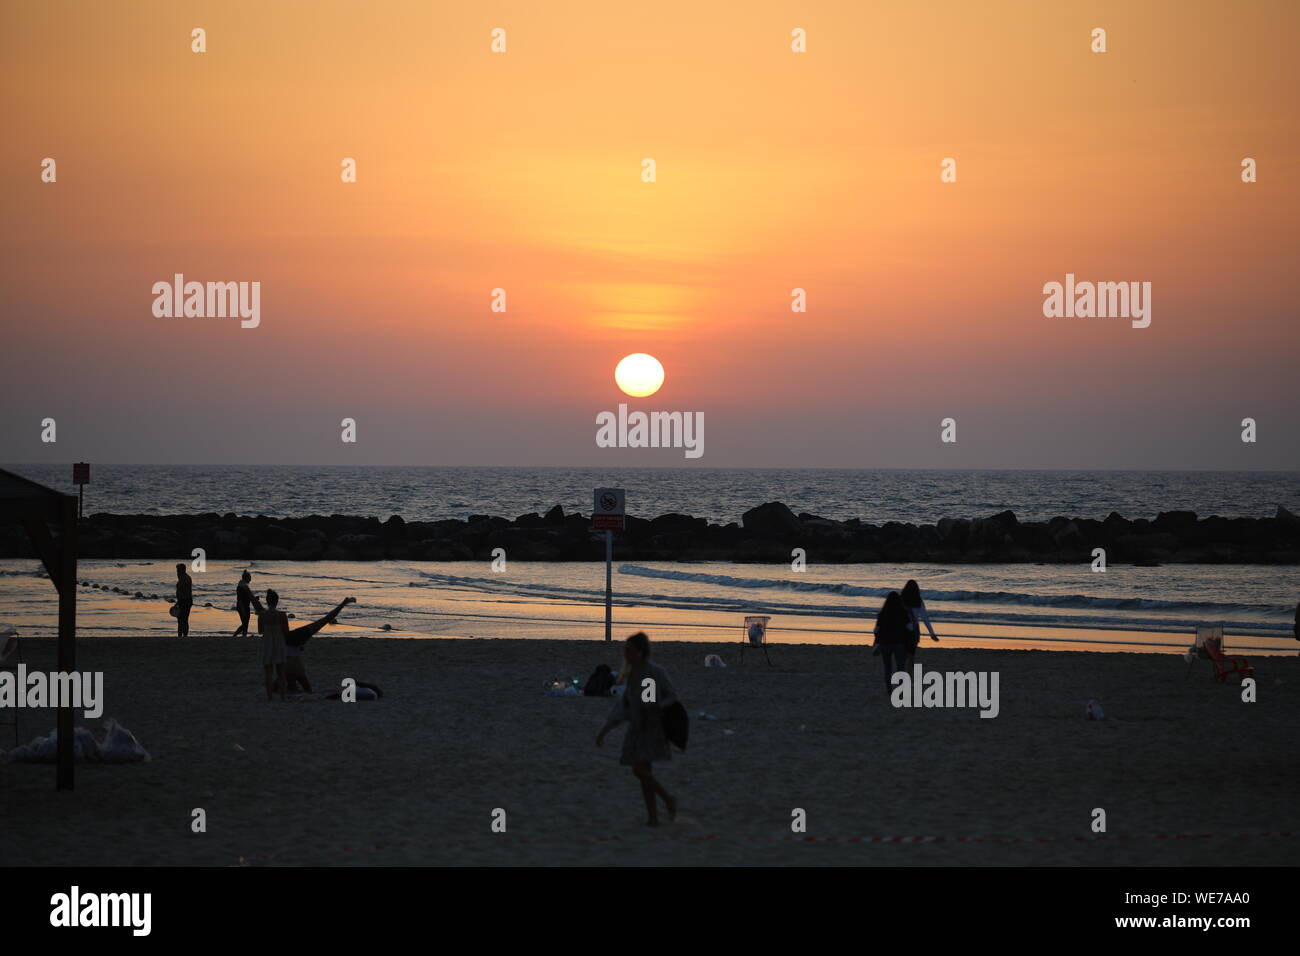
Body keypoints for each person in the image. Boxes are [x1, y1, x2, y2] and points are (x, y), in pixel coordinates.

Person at [596, 632, 679, 827]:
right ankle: (653, 817)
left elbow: (660, 700)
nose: (625, 653)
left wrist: (657, 707)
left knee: (639, 770)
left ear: (640, 653)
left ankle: (668, 800)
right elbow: (623, 707)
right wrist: (605, 730)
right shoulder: (631, 674)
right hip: (637, 729)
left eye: (629, 649)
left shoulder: (650, 674)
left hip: (650, 730)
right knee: (644, 773)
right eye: (625, 649)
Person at [284, 597, 356, 694]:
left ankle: (344, 603)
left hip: (291, 640)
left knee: (323, 621)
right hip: (292, 644)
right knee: (323, 621)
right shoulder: (293, 673)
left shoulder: (287, 675)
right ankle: (343, 603)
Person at [873, 591, 912, 693]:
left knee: (887, 667)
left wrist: (877, 642)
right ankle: (901, 691)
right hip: (900, 643)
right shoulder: (903, 613)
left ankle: (889, 690)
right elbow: (910, 628)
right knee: (900, 668)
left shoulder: (882, 614)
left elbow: (876, 630)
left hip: (885, 643)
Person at [900, 579, 939, 671]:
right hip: (914, 629)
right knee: (911, 655)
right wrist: (931, 633)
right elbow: (925, 618)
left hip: (902, 629)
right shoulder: (918, 601)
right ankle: (909, 675)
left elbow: (896, 615)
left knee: (902, 654)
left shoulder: (900, 599)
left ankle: (901, 674)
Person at [257, 589, 289, 700]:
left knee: (268, 673)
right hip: (279, 642)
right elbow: (286, 631)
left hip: (267, 643)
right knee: (281, 672)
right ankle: (283, 697)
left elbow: (260, 631)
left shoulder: (262, 615)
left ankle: (269, 696)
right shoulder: (282, 615)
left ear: (267, 601)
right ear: (277, 601)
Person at [233, 571, 255, 637]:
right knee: (245, 623)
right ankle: (236, 634)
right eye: (249, 577)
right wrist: (242, 609)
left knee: (246, 622)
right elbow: (239, 599)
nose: (250, 579)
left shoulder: (243, 585)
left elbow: (246, 597)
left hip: (245, 606)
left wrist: (254, 598)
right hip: (242, 607)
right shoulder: (241, 587)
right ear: (246, 578)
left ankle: (243, 635)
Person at [174, 563, 193, 638]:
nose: (177, 571)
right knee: (184, 619)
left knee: (181, 619)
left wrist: (177, 603)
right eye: (177, 570)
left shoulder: (183, 578)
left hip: (184, 601)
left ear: (182, 570)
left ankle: (181, 635)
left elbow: (183, 592)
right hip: (186, 600)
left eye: (178, 570)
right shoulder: (186, 577)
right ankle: (184, 635)